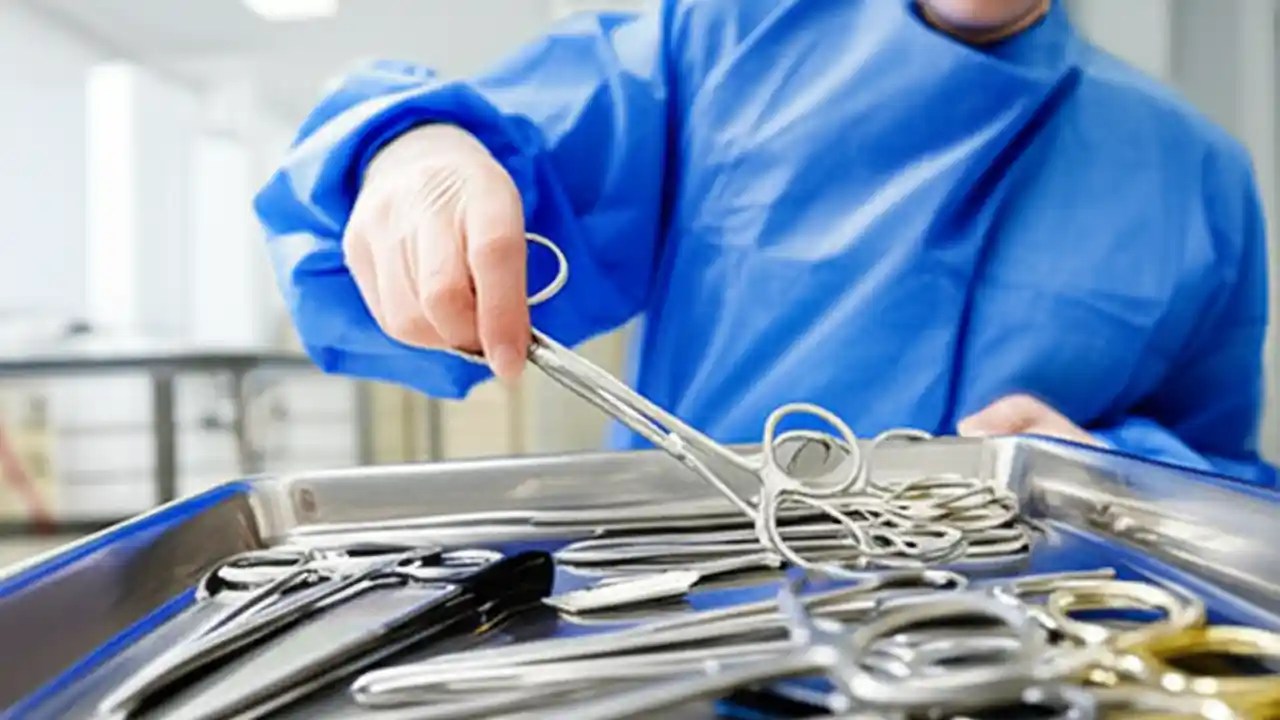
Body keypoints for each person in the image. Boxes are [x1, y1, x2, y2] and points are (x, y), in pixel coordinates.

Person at [255, 0, 1273, 483]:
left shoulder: (1195, 172)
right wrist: (405, 147)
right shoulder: (713, 42)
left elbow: (1219, 475)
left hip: (1015, 641)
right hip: (688, 620)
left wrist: (1115, 468)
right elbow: (488, 185)